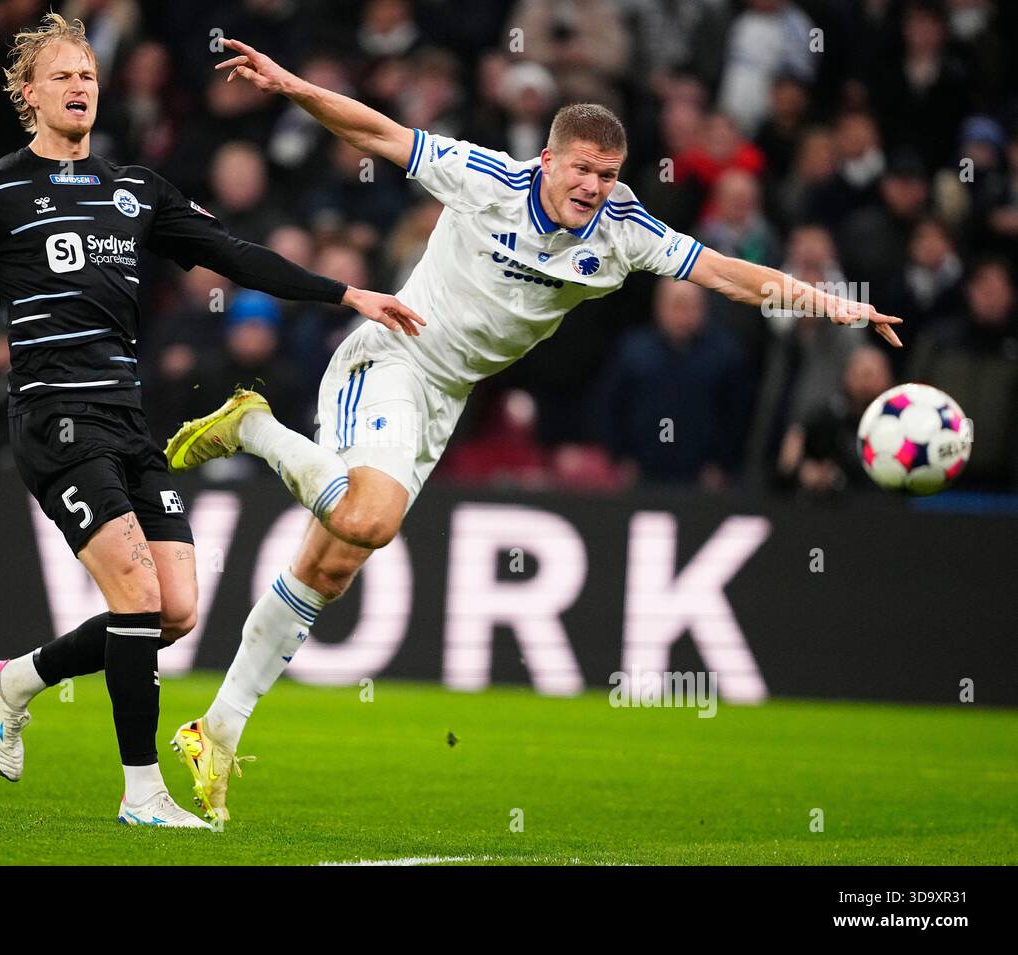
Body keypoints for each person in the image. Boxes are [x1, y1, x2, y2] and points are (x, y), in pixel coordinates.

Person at [161, 38, 905, 825]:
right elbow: (379, 132)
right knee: (368, 518)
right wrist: (288, 82)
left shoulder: (623, 230)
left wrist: (834, 304)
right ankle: (256, 426)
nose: (592, 185)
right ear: (547, 158)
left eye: (608, 174)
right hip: (392, 358)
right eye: (580, 167)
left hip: (446, 397)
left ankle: (217, 728)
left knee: (335, 562)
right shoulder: (487, 179)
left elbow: (727, 273)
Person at [0, 15, 423, 829]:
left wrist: (345, 293)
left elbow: (234, 253)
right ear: (28, 93)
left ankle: (13, 682)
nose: (80, 86)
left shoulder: (134, 189)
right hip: (53, 417)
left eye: (87, 73)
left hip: (127, 419)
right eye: (62, 76)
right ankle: (141, 794)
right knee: (138, 593)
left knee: (173, 611)